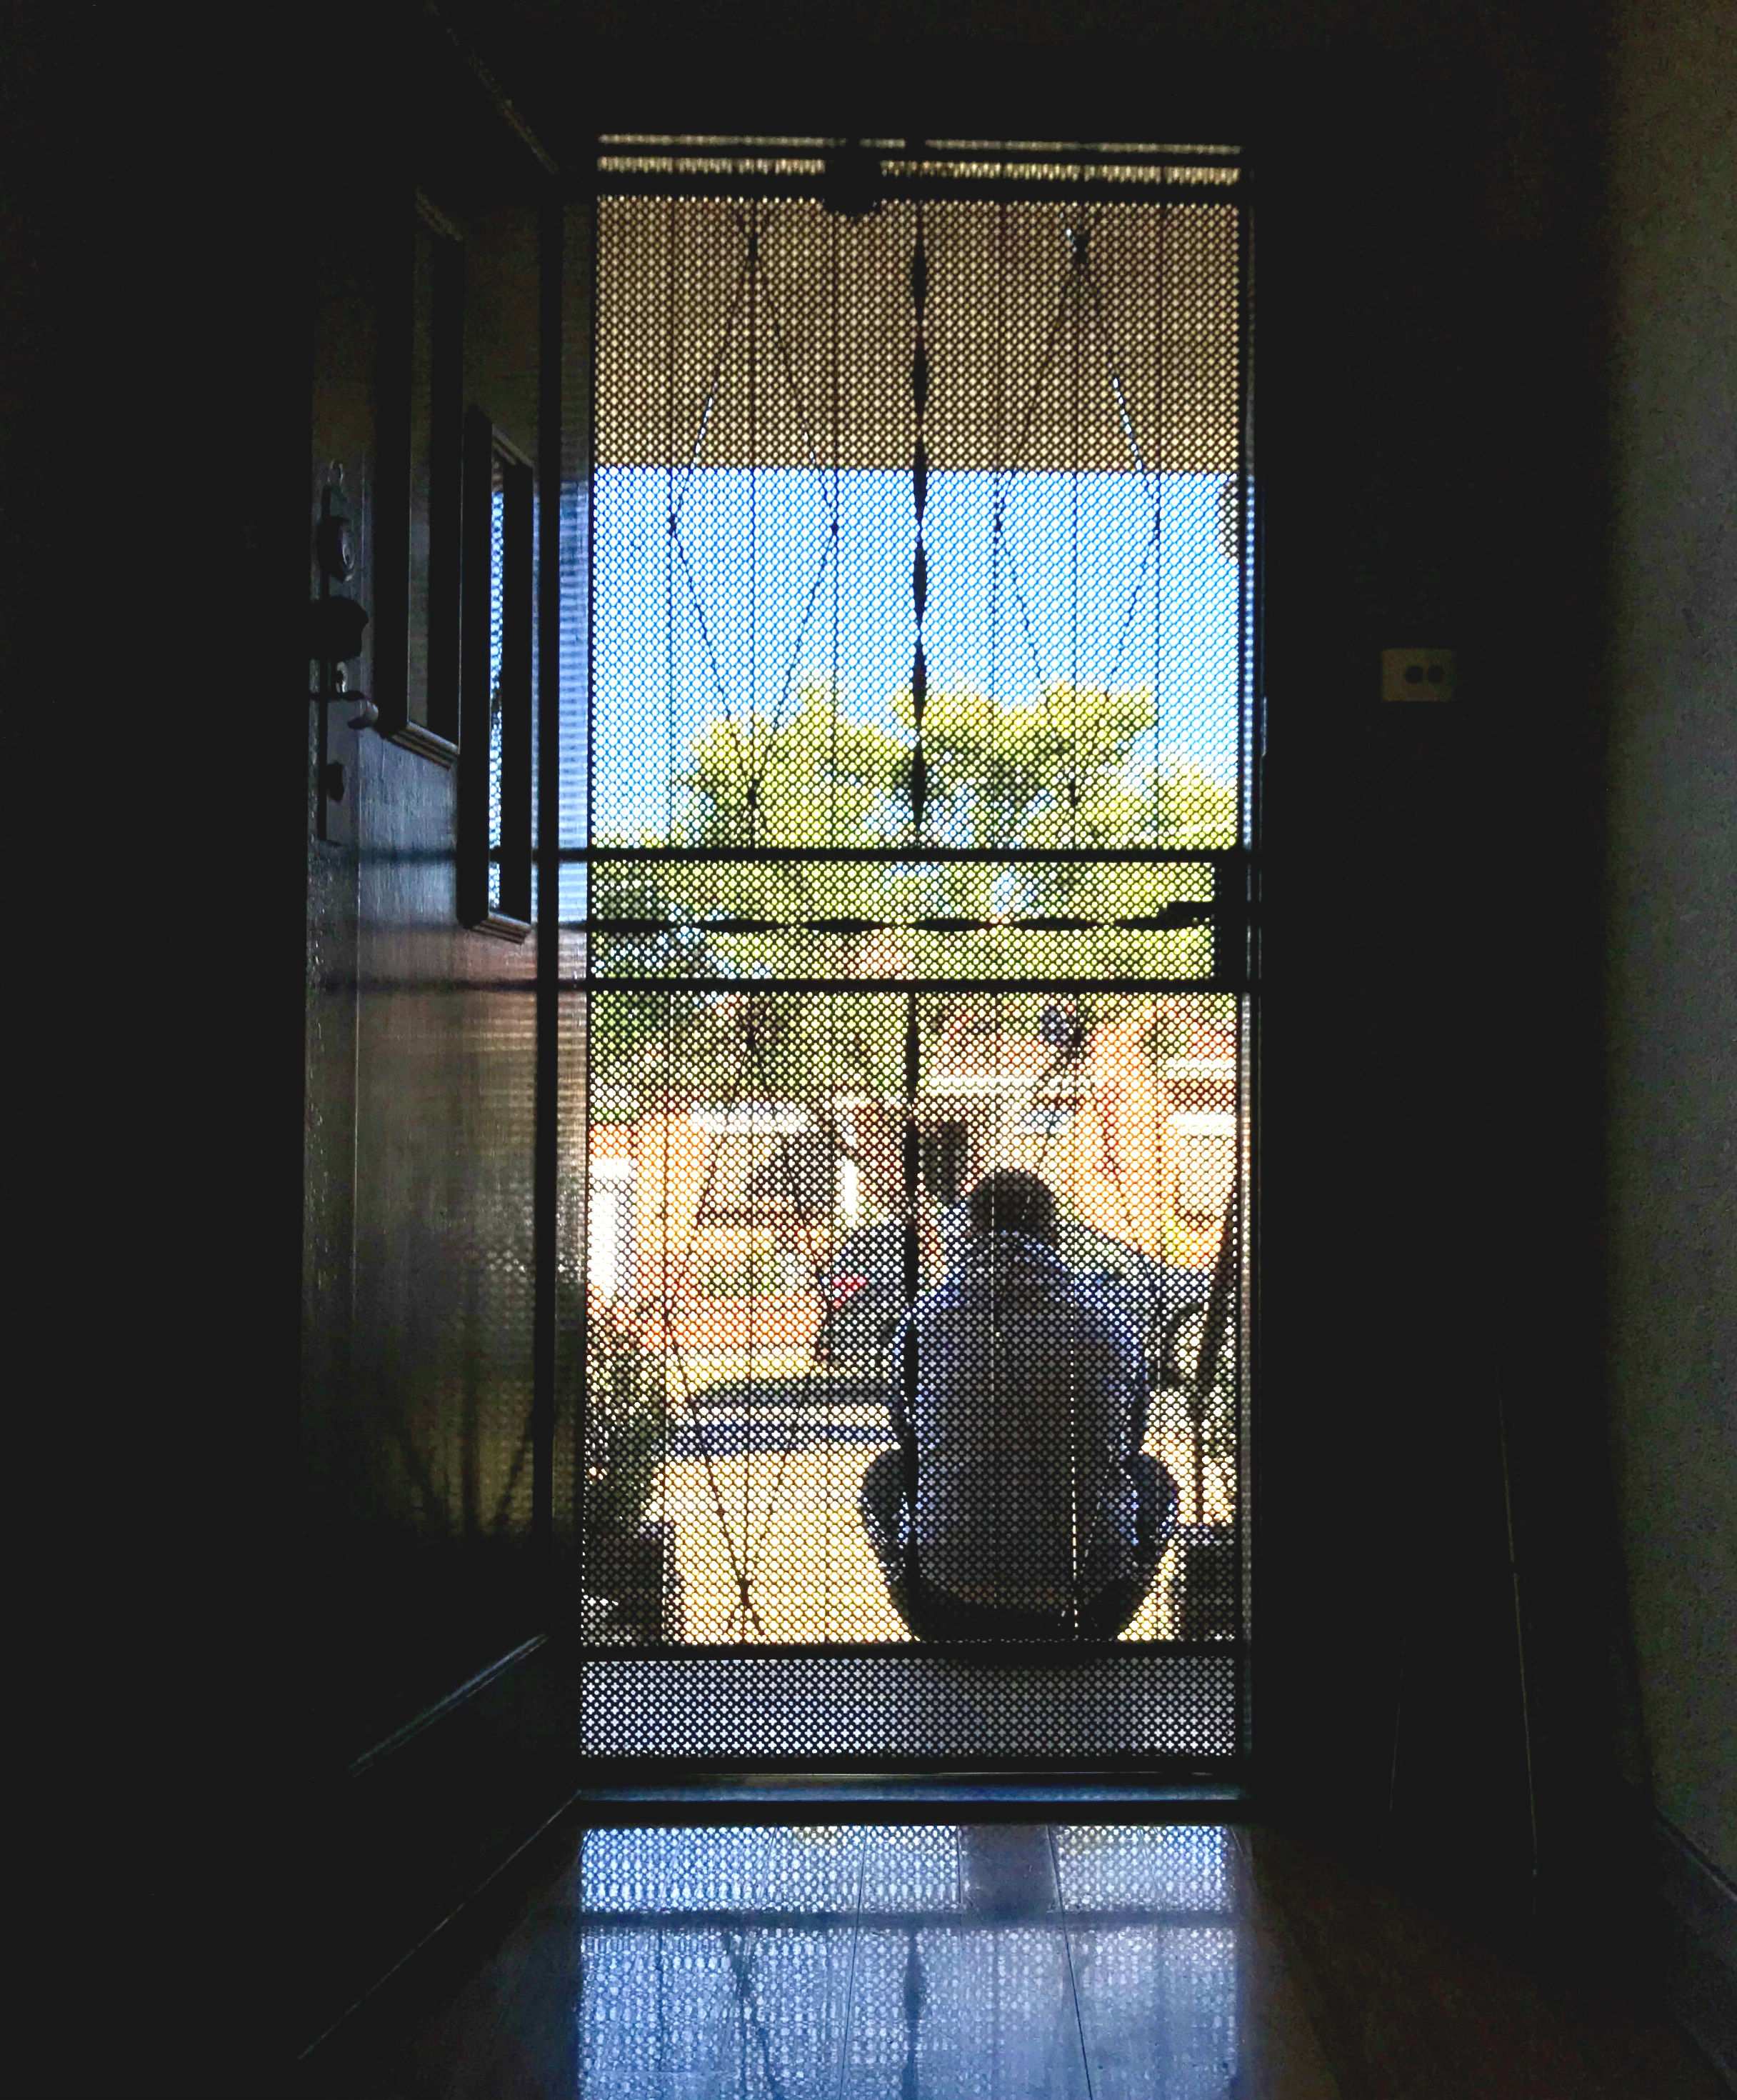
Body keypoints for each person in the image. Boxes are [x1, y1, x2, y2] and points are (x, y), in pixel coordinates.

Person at [859, 1167, 1177, 1640]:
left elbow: (909, 1446)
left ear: (970, 1229)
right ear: (1051, 1233)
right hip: (1082, 1616)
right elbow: (1130, 1447)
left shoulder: (925, 1322)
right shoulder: (1108, 1321)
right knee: (1156, 1483)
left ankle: (932, 1580)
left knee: (883, 1477)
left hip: (947, 1611)